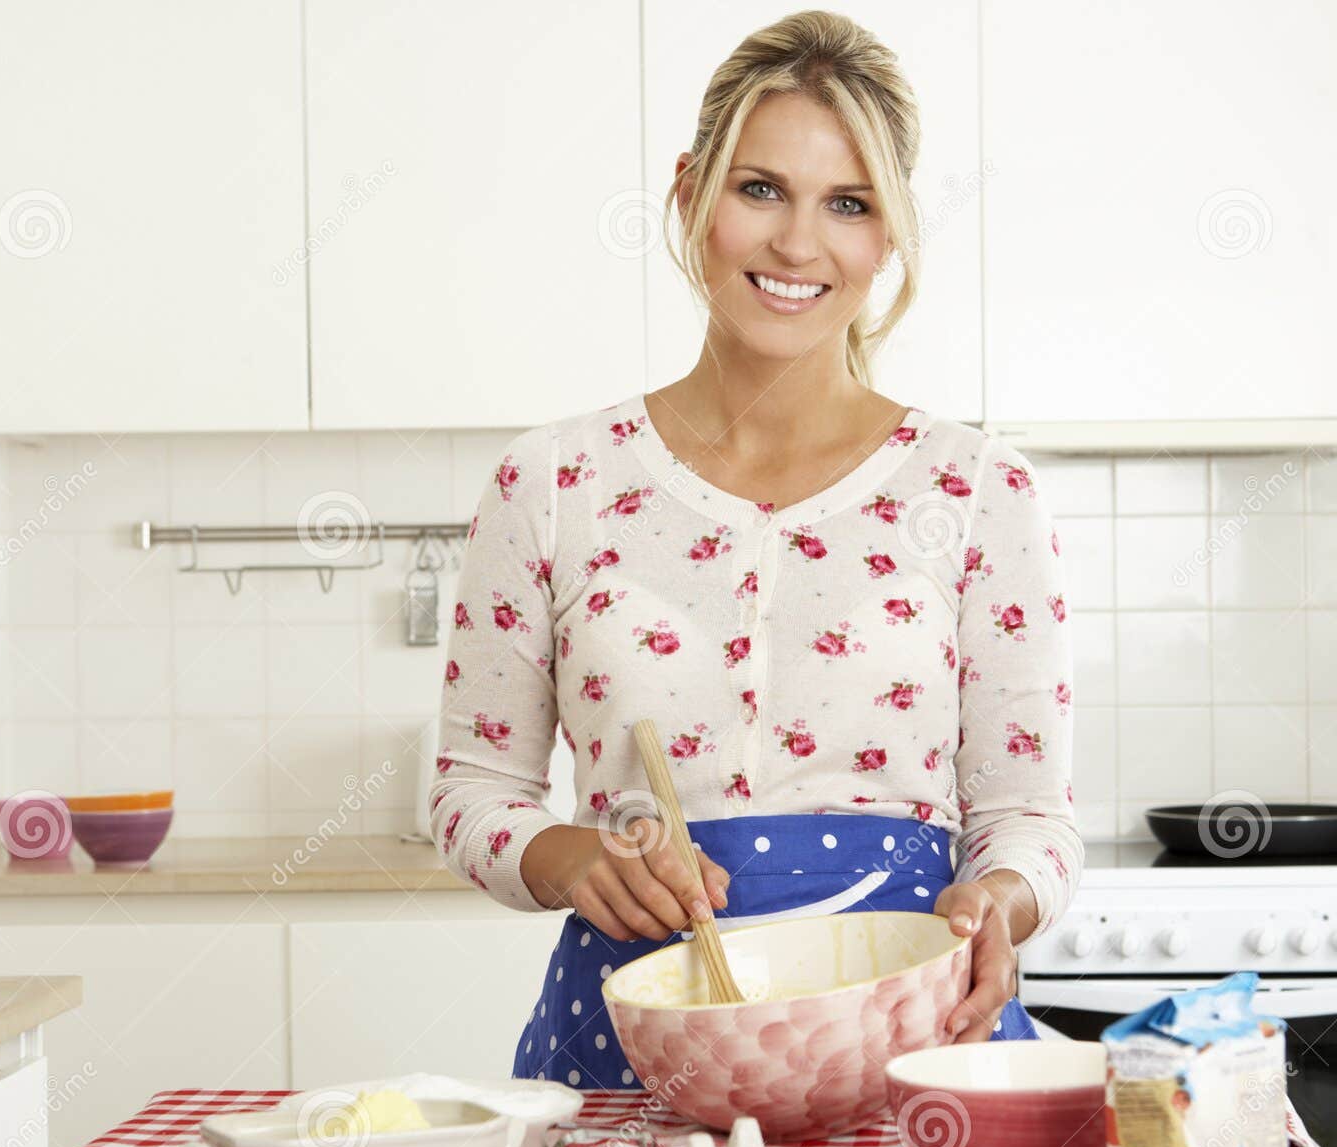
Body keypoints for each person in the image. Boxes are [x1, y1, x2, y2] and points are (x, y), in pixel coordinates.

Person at [432, 9, 1082, 1091]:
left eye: (848, 204)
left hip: (913, 1052)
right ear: (690, 194)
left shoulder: (976, 492)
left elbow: (1028, 818)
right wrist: (572, 858)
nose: (797, 244)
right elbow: (472, 788)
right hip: (632, 1055)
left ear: (889, 236)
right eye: (760, 189)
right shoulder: (551, 482)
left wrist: (998, 901)